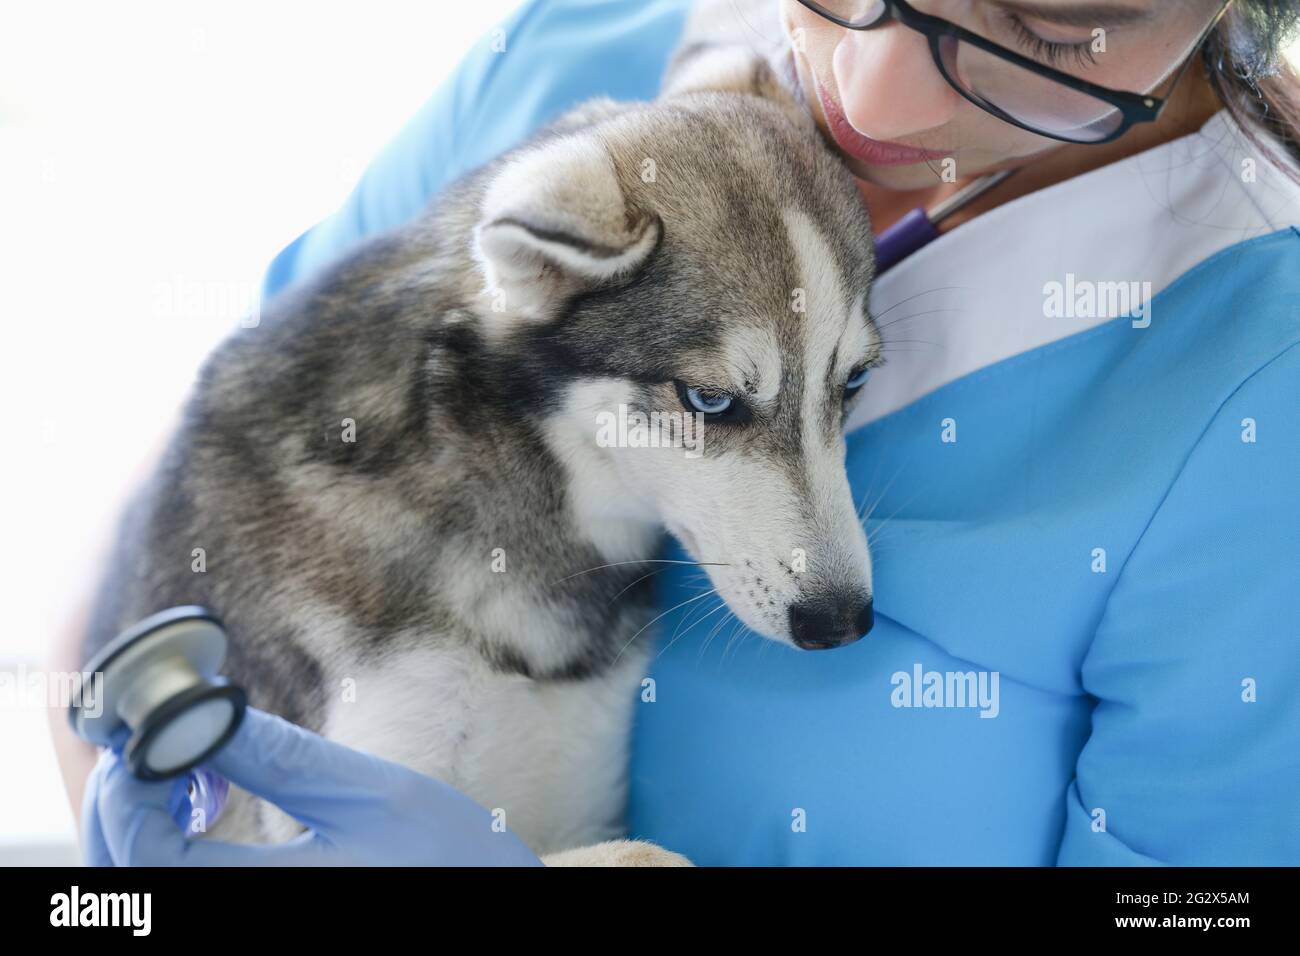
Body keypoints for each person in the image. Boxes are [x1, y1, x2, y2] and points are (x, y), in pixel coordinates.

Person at [56, 0, 1300, 865]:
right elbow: (168, 556)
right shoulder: (567, 54)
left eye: (1043, 16)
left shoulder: (1259, 392)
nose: (872, 90)